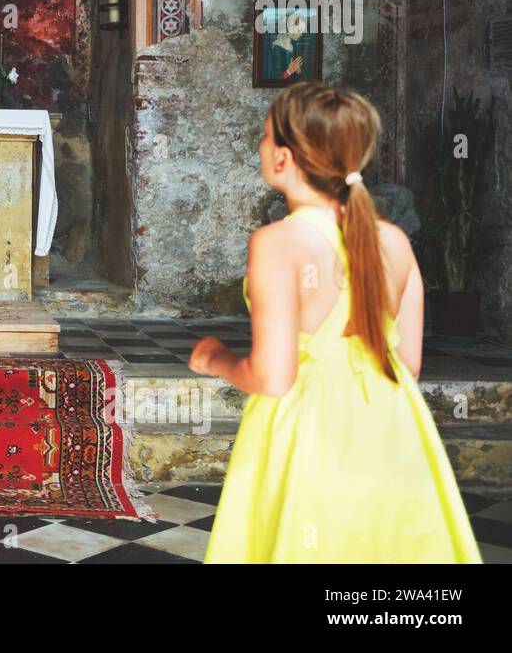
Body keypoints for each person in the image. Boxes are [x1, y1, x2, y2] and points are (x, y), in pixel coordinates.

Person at [191, 82, 480, 563]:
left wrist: (215, 358)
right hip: (393, 425)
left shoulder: (277, 242)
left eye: (265, 137)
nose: (260, 147)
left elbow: (274, 377)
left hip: (312, 429)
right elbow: (407, 364)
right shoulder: (393, 241)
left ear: (284, 159)